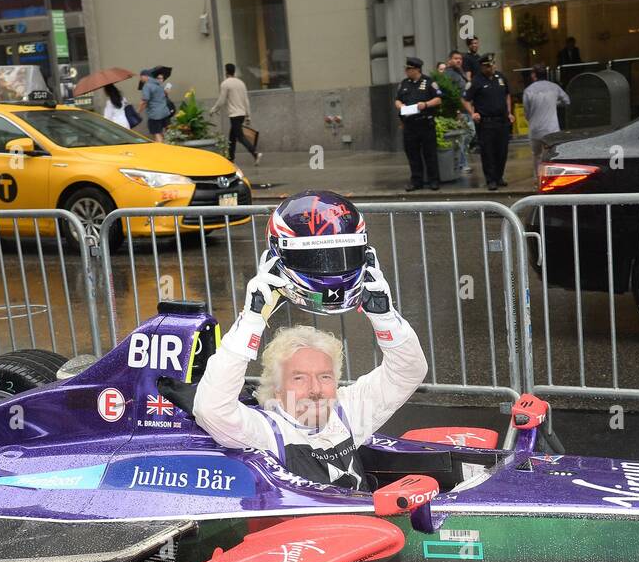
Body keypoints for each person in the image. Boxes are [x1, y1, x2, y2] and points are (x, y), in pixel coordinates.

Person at [193, 191, 428, 492]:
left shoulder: (347, 413)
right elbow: (211, 410)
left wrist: (385, 318)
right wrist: (251, 320)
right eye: (299, 378)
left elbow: (409, 372)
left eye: (325, 377)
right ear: (275, 388)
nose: (316, 390)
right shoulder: (265, 432)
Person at [464, 55, 514, 190]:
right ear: (482, 67)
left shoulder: (501, 77)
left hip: (502, 121)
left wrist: (509, 112)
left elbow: (507, 94)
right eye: (488, 66)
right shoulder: (476, 81)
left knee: (502, 151)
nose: (491, 68)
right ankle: (491, 179)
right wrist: (472, 113)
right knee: (488, 152)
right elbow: (465, 99)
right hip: (486, 122)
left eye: (492, 65)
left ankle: (499, 176)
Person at [395, 57, 443, 192]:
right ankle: (417, 181)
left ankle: (434, 180)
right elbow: (397, 100)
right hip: (410, 125)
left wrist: (426, 104)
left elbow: (439, 99)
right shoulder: (404, 83)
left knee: (430, 153)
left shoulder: (429, 82)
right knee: (412, 154)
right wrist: (400, 105)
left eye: (408, 69)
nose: (406, 71)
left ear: (416, 69)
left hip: (425, 123)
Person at [210, 63, 261, 165]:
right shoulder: (241, 83)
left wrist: (214, 109)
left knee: (239, 136)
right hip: (241, 114)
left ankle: (255, 152)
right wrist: (248, 115)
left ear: (226, 71)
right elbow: (246, 100)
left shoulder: (225, 84)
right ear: (234, 71)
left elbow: (222, 100)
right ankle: (230, 158)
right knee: (232, 137)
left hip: (234, 115)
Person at [522, 64, 570, 167]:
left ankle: (538, 180)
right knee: (552, 155)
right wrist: (554, 103)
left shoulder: (528, 90)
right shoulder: (554, 87)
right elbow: (567, 101)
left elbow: (526, 113)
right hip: (552, 129)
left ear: (533, 75)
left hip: (535, 130)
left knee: (537, 155)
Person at [444, 50, 474, 173]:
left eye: (460, 59)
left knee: (467, 135)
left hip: (466, 109)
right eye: (456, 58)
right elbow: (454, 95)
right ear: (449, 60)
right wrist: (458, 110)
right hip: (459, 111)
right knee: (463, 136)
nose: (458, 61)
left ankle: (461, 162)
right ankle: (461, 163)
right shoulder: (449, 74)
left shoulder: (459, 72)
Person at [139, 66, 174, 141]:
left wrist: (139, 111)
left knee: (156, 132)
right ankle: (170, 146)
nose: (140, 79)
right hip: (165, 112)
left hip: (155, 114)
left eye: (141, 77)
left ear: (145, 76)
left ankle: (161, 150)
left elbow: (145, 101)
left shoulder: (147, 86)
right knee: (167, 131)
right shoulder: (159, 85)